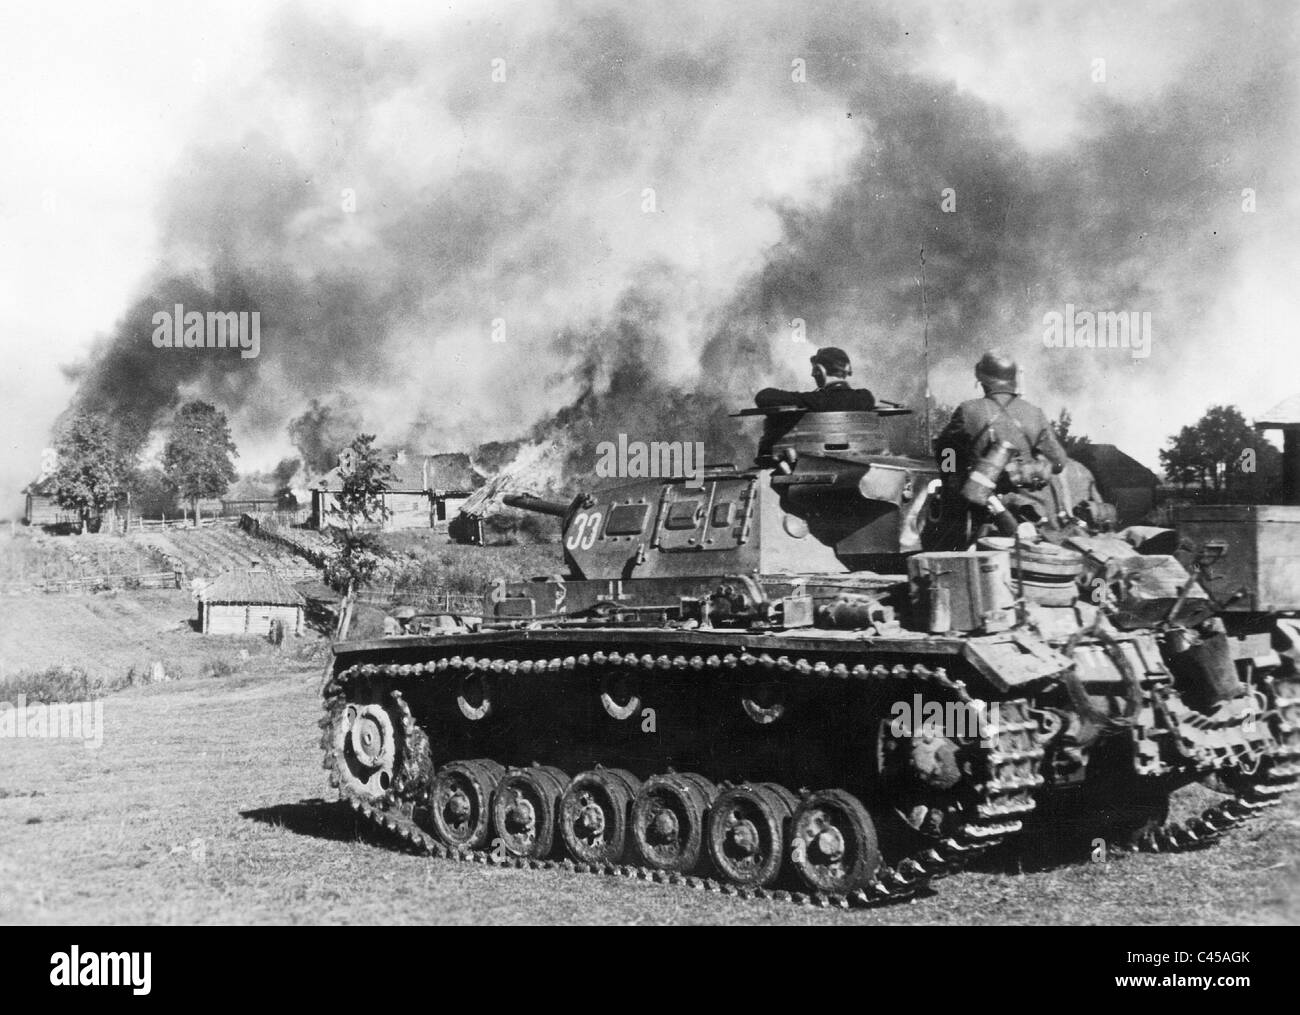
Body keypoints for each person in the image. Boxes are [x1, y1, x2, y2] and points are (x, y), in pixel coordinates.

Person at [930, 351, 1069, 545]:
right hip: (1029, 514)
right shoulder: (1034, 414)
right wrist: (1028, 470)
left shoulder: (969, 410)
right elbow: (1059, 462)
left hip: (981, 511)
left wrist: (951, 478)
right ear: (1013, 380)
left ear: (982, 380)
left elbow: (945, 450)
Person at [755, 347, 876, 411]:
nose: (813, 375)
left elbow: (763, 397)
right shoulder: (865, 397)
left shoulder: (816, 400)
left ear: (819, 371)